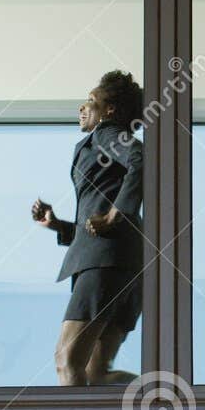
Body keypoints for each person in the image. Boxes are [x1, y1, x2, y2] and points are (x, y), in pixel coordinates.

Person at [33, 71, 146, 386]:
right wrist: (58, 226)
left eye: (91, 101)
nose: (82, 107)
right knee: (96, 374)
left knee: (67, 361)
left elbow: (140, 160)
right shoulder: (104, 142)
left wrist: (116, 215)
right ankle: (163, 394)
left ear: (109, 110)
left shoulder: (106, 134)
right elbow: (96, 224)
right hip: (126, 262)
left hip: (105, 263)